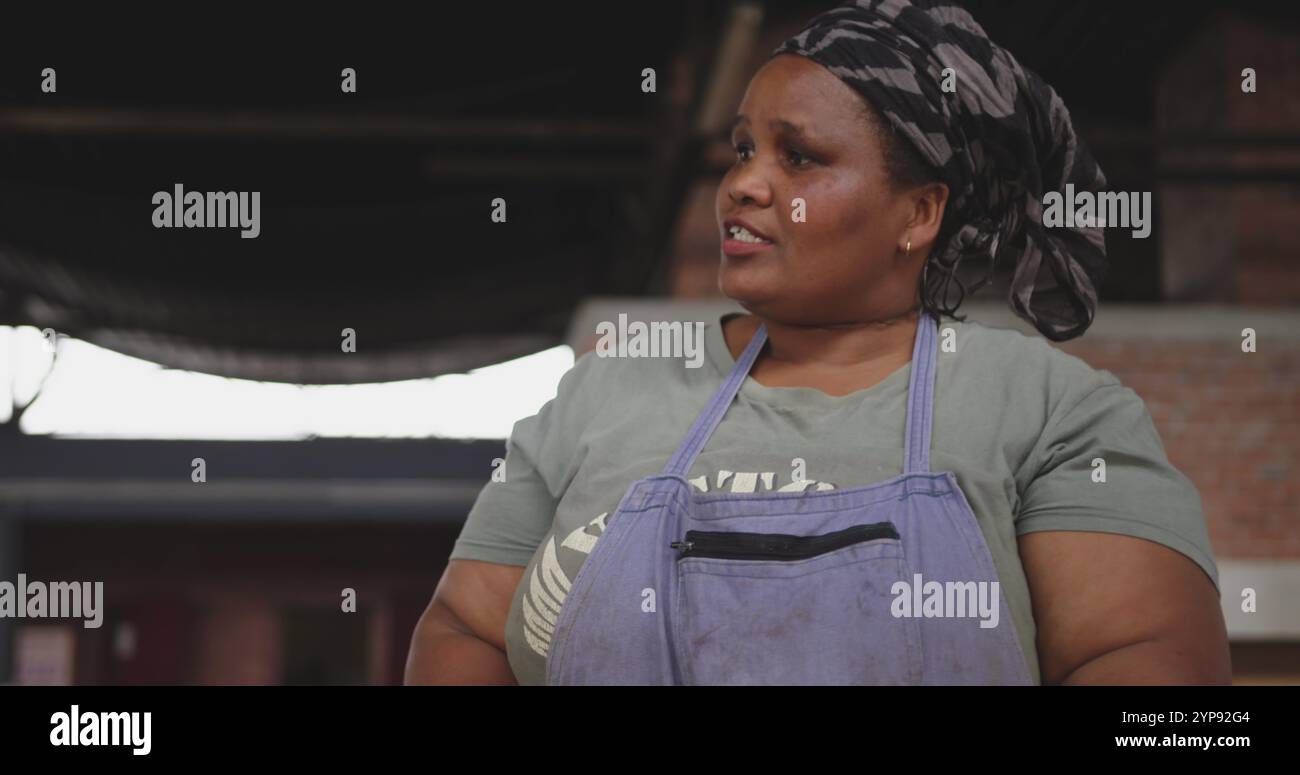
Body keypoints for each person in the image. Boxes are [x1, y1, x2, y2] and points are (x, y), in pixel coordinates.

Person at [405, 0, 1230, 685]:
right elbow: (460, 632)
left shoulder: (1051, 412)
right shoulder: (604, 392)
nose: (743, 183)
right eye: (742, 148)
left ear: (919, 213)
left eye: (799, 156)